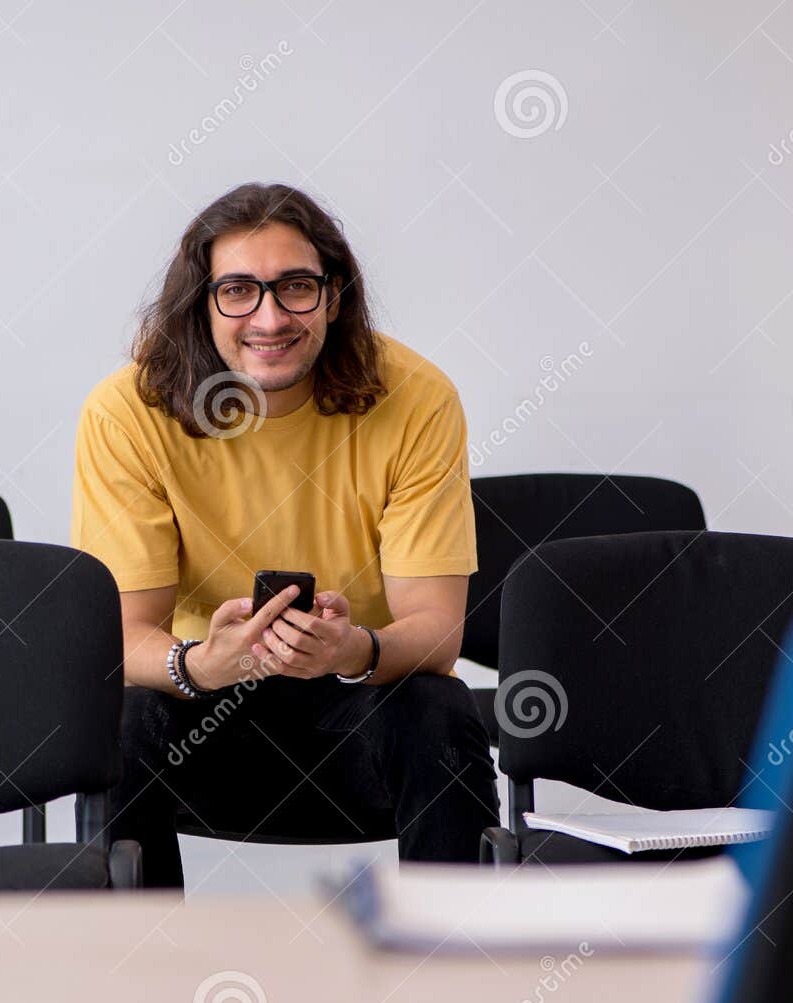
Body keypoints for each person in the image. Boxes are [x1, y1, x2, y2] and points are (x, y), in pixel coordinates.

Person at [70, 181, 498, 888]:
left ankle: (457, 965)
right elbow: (120, 636)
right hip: (204, 717)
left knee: (437, 705)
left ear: (334, 297)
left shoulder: (418, 399)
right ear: (201, 302)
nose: (269, 318)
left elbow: (437, 630)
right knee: (125, 710)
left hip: (361, 712)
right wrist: (202, 664)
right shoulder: (128, 412)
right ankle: (133, 971)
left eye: (296, 287)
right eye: (237, 290)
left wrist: (354, 648)